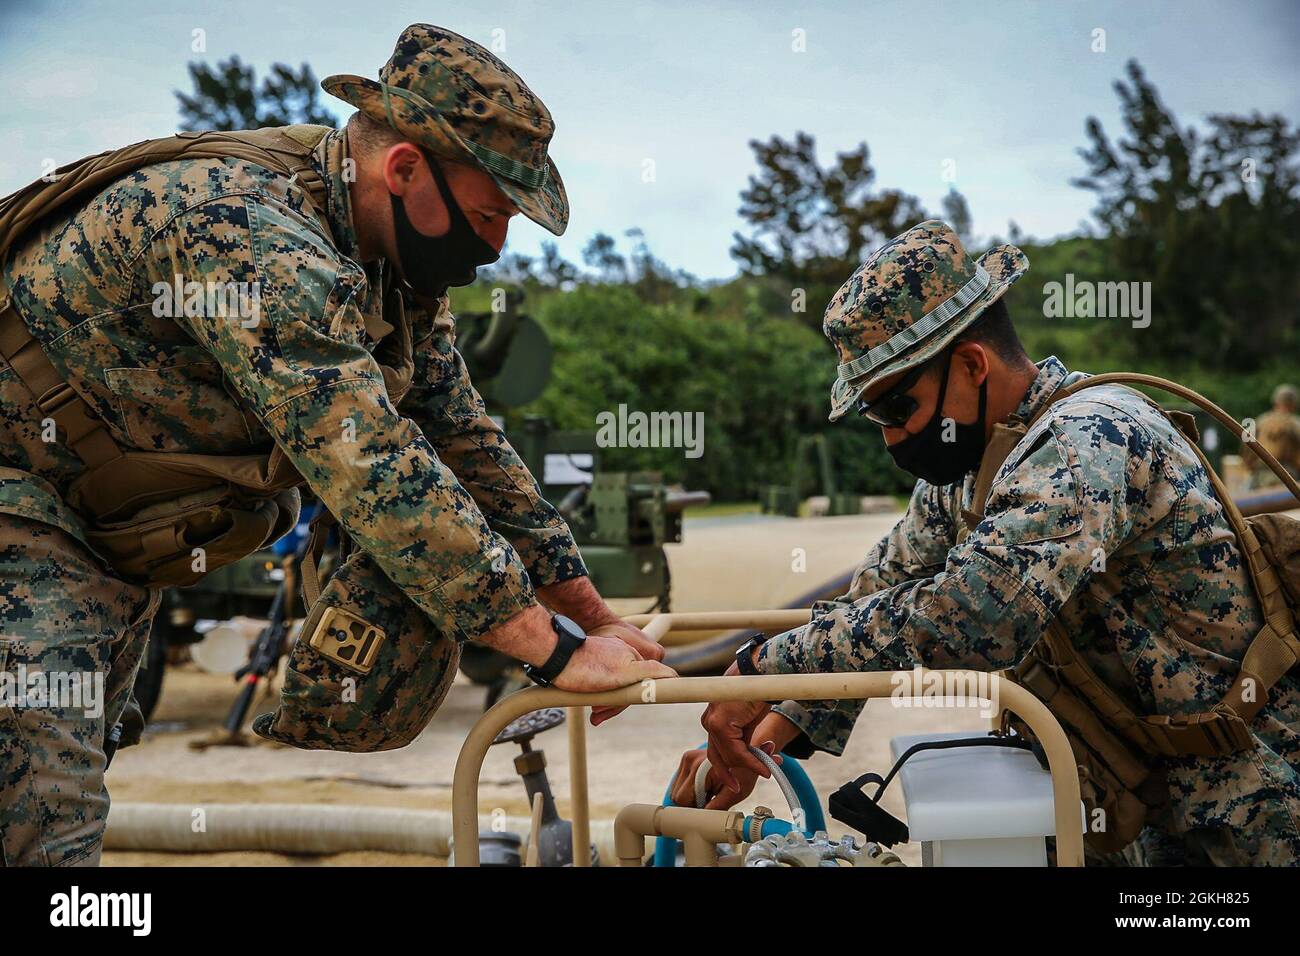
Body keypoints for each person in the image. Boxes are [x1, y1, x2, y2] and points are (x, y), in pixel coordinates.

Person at [0, 23, 672, 868]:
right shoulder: (245, 227)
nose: (496, 246)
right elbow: (368, 459)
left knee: (58, 782)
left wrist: (589, 612)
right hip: (24, 503)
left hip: (96, 531)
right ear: (405, 170)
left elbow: (460, 436)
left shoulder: (386, 265)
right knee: (44, 814)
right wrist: (554, 651)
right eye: (489, 214)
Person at [673, 219, 1300, 865]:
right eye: (873, 416)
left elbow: (975, 615)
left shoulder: (1087, 438)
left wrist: (763, 664)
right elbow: (882, 590)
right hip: (1143, 800)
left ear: (972, 364)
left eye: (895, 409)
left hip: (1253, 807)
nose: (890, 438)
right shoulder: (976, 466)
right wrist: (772, 726)